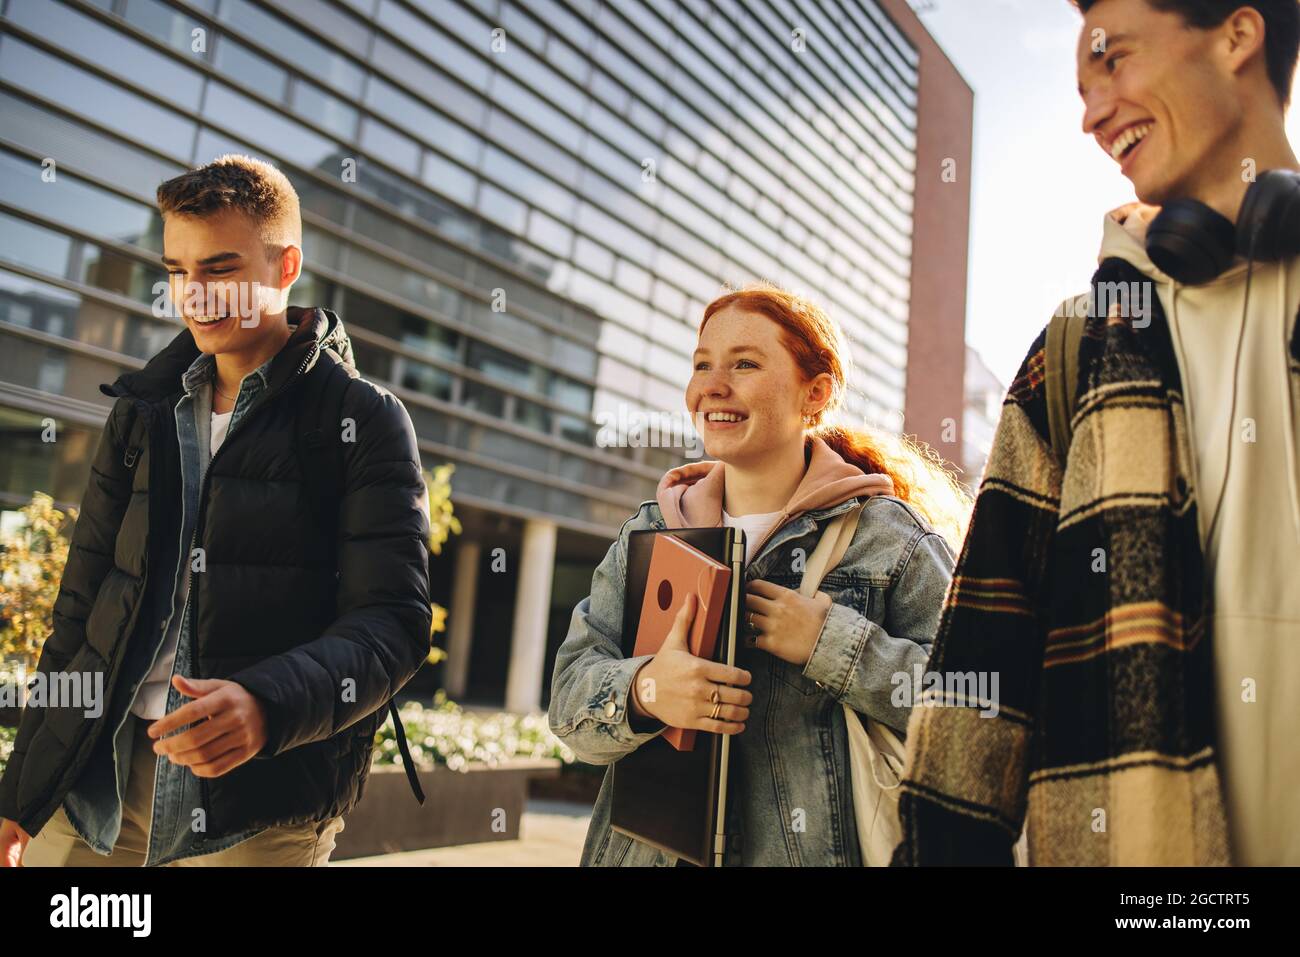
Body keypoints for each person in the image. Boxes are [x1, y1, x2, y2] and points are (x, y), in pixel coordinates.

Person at [894, 0, 1300, 866]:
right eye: (1080, 88)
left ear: (1237, 34)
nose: (1090, 114)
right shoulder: (1074, 350)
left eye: (1112, 63)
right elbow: (979, 675)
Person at [0, 154, 432, 867]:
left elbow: (392, 622)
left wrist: (267, 705)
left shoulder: (362, 419)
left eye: (220, 270)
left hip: (255, 806)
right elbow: (79, 611)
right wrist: (22, 789)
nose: (193, 296)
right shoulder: (141, 411)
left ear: (286, 264)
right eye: (177, 271)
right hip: (95, 780)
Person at [548, 283, 968, 865]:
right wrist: (648, 691)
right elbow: (568, 707)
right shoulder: (651, 532)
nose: (713, 386)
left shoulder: (888, 539)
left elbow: (973, 712)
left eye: (745, 364)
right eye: (702, 365)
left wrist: (833, 645)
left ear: (814, 395)